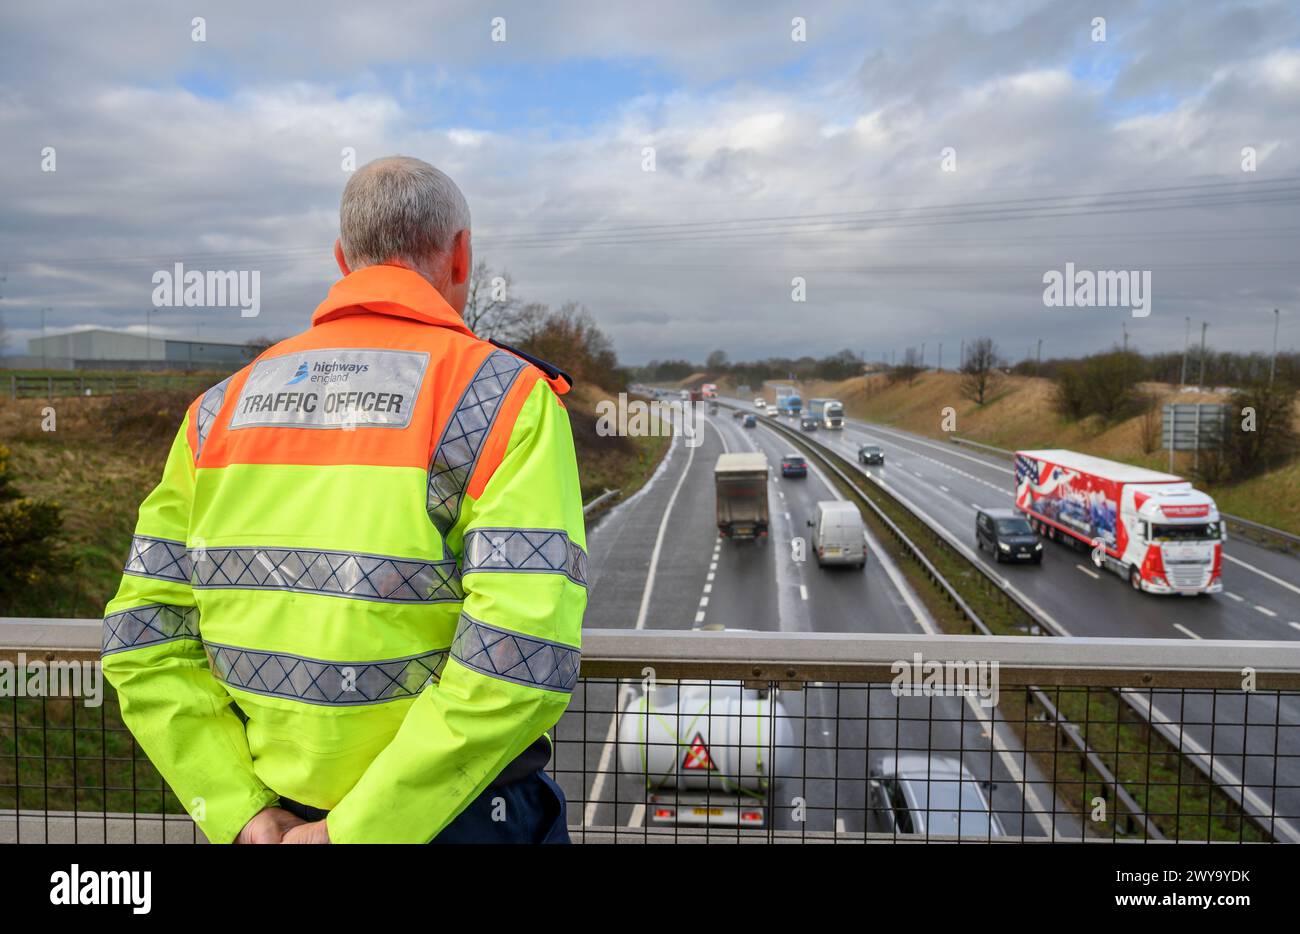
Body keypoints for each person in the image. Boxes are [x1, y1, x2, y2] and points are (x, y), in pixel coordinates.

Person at [101, 156, 587, 844]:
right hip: (461, 820)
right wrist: (362, 829)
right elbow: (521, 654)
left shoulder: (218, 410)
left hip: (273, 822)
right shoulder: (506, 397)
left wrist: (234, 805)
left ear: (342, 258)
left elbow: (143, 640)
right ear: (460, 255)